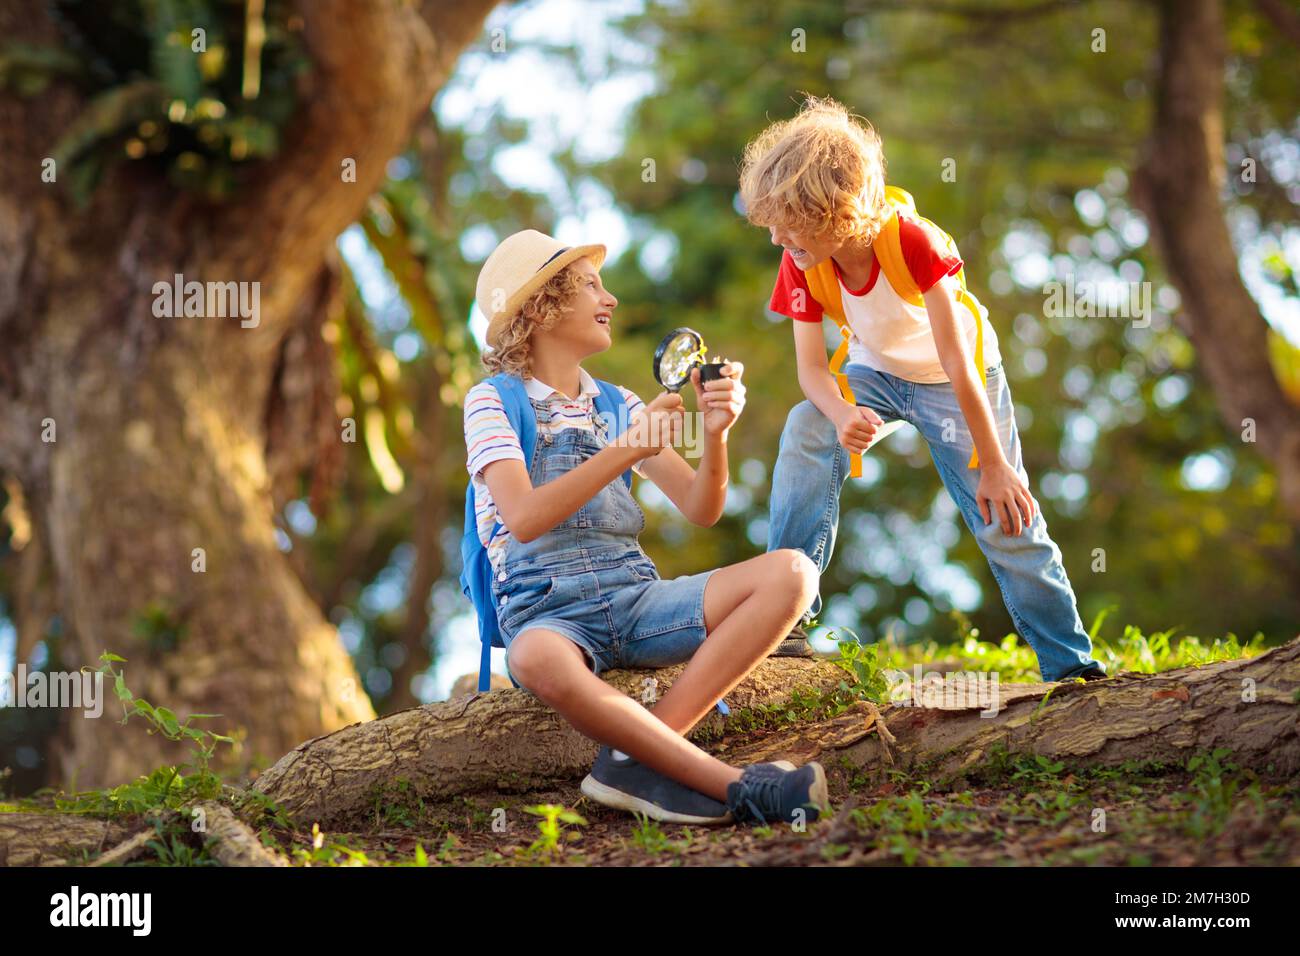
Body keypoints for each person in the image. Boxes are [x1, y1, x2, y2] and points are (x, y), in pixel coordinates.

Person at [463, 228, 829, 826]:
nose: (609, 299)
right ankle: (738, 787)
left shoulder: (619, 402)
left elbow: (700, 506)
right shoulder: (492, 402)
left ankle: (633, 762)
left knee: (793, 573)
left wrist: (715, 434)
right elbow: (524, 519)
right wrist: (627, 449)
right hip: (545, 607)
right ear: (539, 307)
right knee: (533, 660)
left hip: (634, 595)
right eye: (589, 286)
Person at [737, 94, 1106, 683]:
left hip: (954, 382)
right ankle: (786, 621)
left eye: (789, 222)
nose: (778, 238)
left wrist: (994, 465)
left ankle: (1072, 668)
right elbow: (812, 371)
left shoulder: (914, 241)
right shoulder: (801, 263)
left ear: (833, 209)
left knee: (1005, 514)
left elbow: (959, 362)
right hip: (876, 374)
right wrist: (838, 415)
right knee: (805, 425)